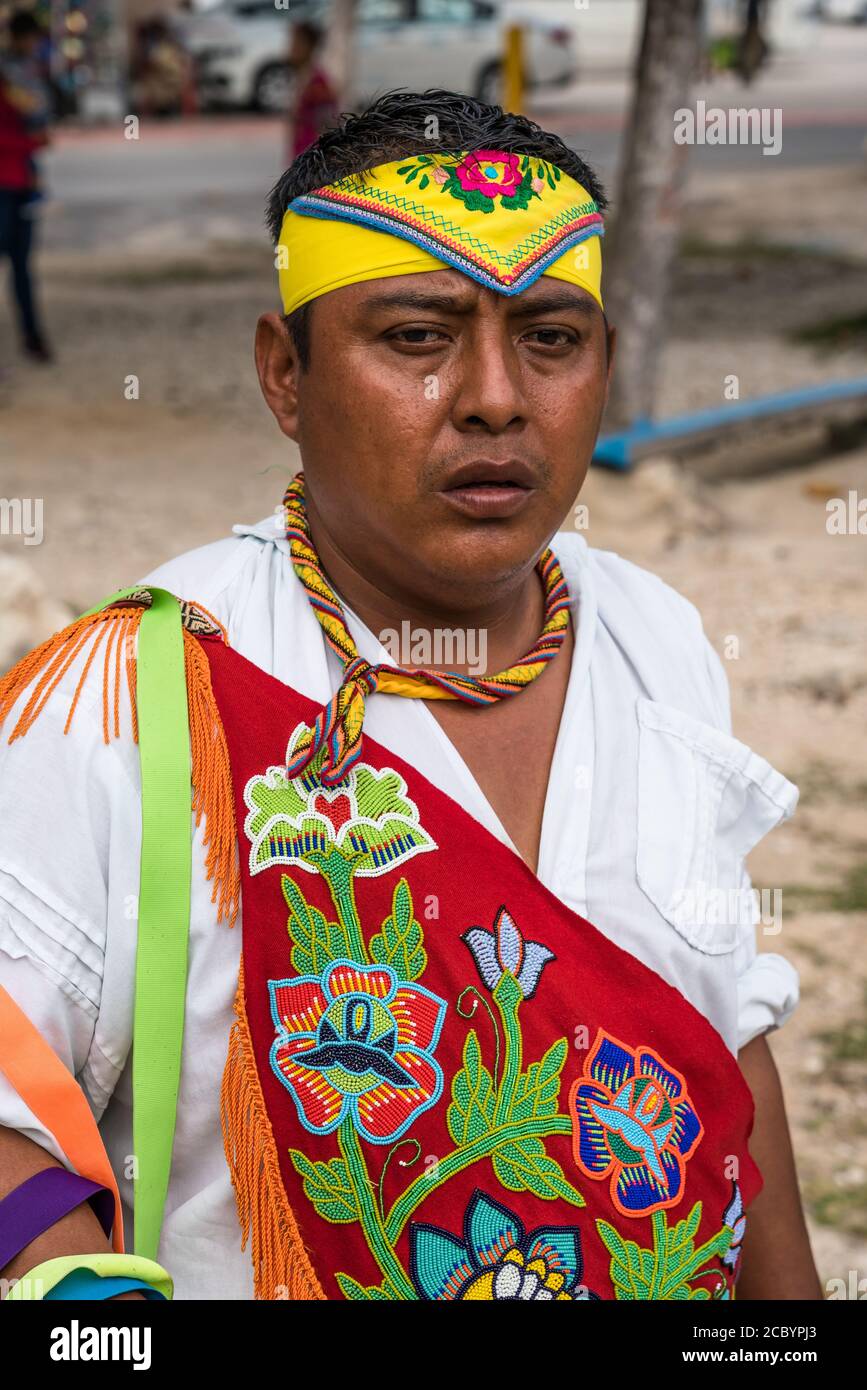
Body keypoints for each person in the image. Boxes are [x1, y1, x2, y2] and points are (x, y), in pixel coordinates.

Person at [0, 90, 821, 1302]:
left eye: (550, 337)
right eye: (419, 337)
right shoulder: (134, 694)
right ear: (287, 374)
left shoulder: (656, 640)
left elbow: (714, 1044)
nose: (495, 397)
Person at [0, 9, 52, 362]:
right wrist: (34, 143)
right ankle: (31, 340)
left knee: (22, 267)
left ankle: (33, 339)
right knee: (18, 265)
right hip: (7, 180)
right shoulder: (9, 74)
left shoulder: (30, 72)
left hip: (23, 179)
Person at [286, 19, 337, 162]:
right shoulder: (300, 75)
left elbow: (328, 122)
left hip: (313, 157)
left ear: (309, 46)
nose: (291, 48)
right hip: (300, 153)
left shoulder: (318, 82)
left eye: (296, 43)